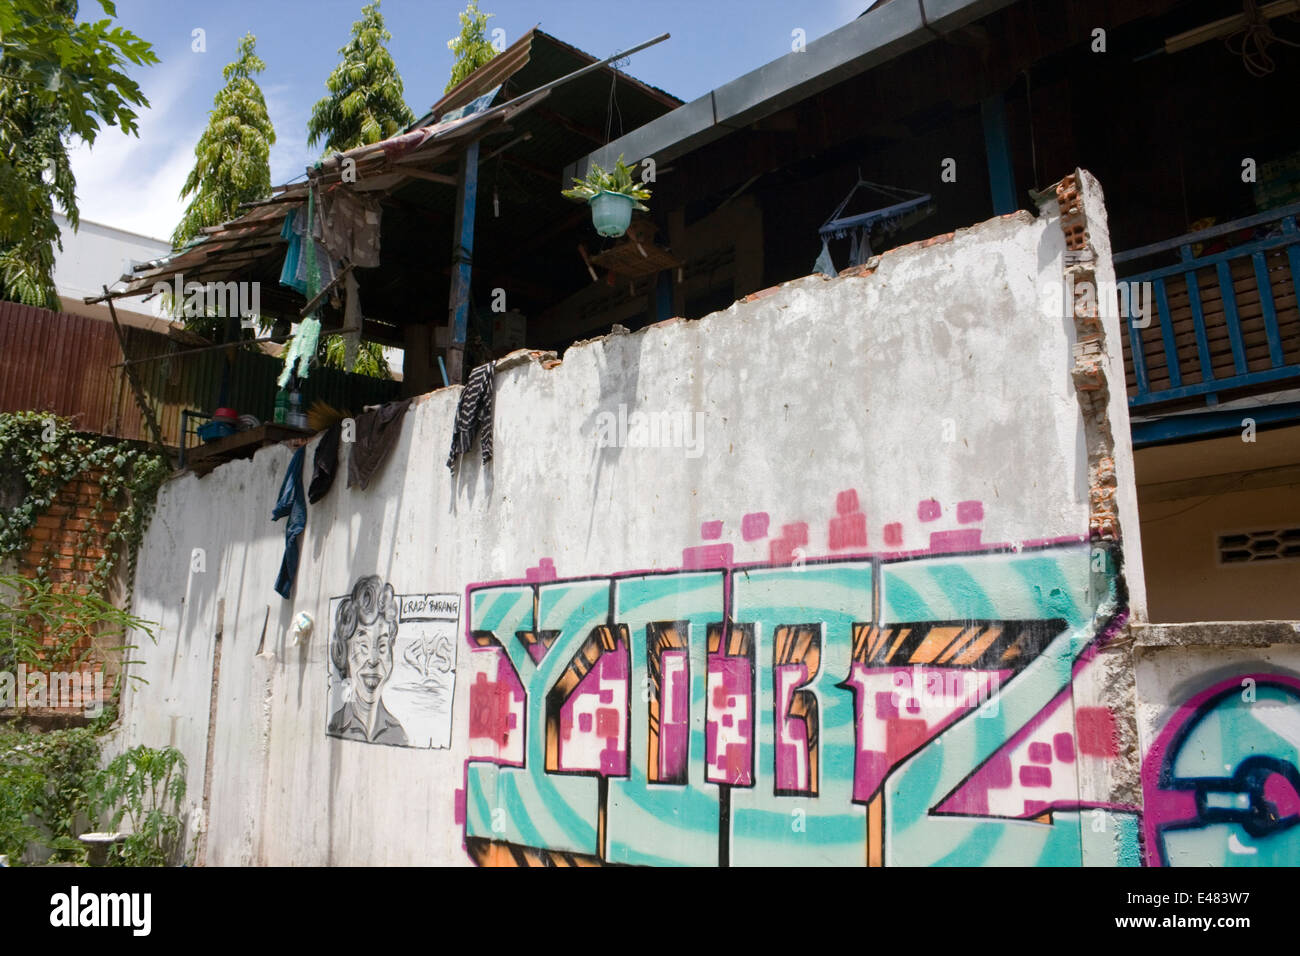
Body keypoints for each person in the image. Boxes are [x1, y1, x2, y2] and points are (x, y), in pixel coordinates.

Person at [328, 575, 408, 745]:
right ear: (344, 651)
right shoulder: (334, 726)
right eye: (363, 645)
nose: (373, 661)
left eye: (382, 646)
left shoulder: (398, 735)